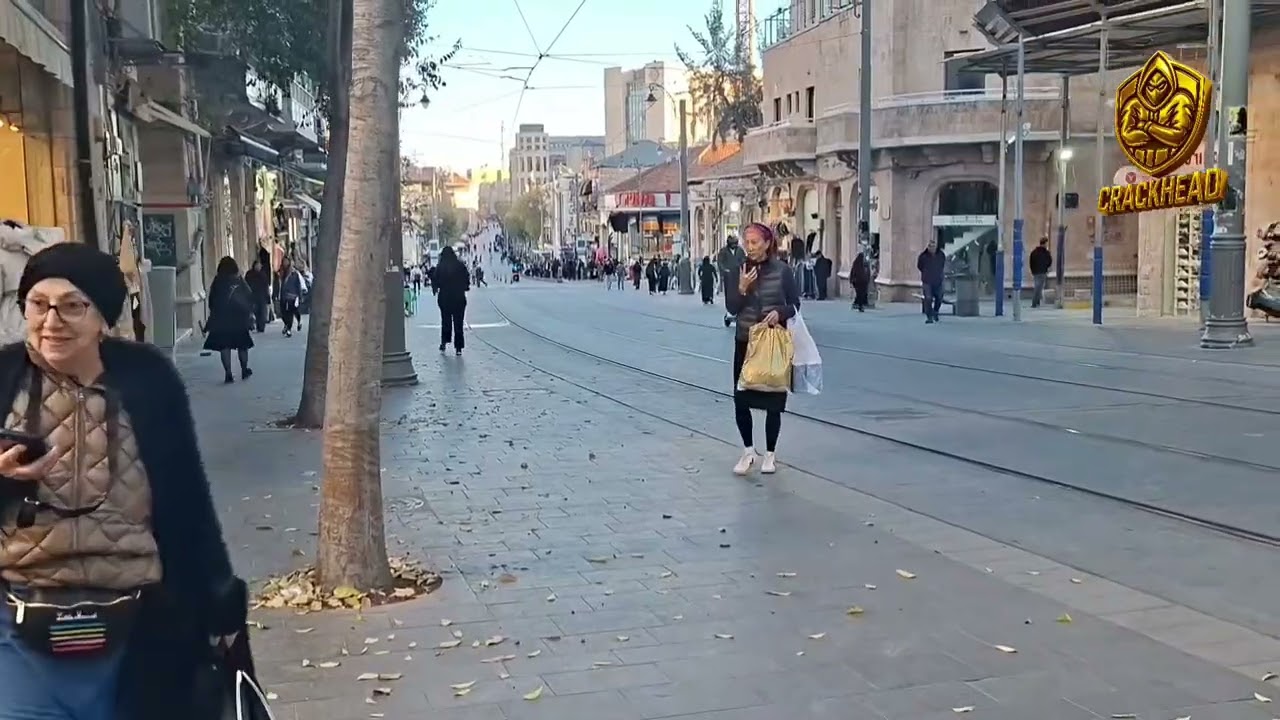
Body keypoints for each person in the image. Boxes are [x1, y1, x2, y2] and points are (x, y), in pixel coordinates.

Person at [0, 242, 246, 719]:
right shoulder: (3, 377)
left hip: (137, 632)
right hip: (18, 628)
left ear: (103, 318)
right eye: (38, 304)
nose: (52, 321)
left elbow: (187, 502)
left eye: (73, 305)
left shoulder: (148, 380)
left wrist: (219, 605)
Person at [725, 223, 800, 477]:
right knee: (741, 398)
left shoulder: (783, 272)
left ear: (768, 243)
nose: (750, 247)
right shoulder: (737, 270)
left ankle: (770, 454)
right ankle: (748, 451)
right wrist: (742, 288)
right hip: (745, 340)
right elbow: (732, 308)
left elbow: (795, 306)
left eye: (755, 242)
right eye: (747, 242)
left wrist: (780, 313)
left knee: (773, 397)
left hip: (772, 342)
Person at [203, 256, 255, 383]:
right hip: (239, 318)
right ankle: (244, 370)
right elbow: (249, 295)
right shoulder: (238, 280)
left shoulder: (217, 281)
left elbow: (211, 300)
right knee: (242, 345)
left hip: (222, 319)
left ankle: (228, 373)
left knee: (224, 346)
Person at [434, 246, 470, 355]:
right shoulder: (460, 265)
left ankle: (444, 342)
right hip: (458, 297)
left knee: (445, 321)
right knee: (458, 322)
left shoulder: (440, 266)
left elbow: (435, 280)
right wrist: (464, 287)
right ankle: (458, 347)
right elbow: (466, 280)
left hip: (445, 298)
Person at [717, 236, 746, 327]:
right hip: (728, 277)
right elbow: (720, 262)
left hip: (738, 276)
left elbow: (744, 260)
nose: (734, 246)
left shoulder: (740, 250)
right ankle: (730, 311)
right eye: (732, 244)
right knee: (729, 294)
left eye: (735, 244)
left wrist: (743, 267)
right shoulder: (723, 251)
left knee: (739, 294)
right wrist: (724, 270)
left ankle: (738, 310)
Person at [917, 238, 946, 324]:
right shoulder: (923, 256)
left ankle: (936, 312)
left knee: (939, 297)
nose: (932, 248)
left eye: (934, 246)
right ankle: (929, 316)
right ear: (928, 247)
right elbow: (919, 266)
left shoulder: (941, 255)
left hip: (938, 280)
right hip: (927, 281)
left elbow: (942, 264)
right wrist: (926, 273)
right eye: (930, 246)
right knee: (928, 298)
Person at [276, 257, 303, 337]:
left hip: (292, 296)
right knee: (283, 312)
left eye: (286, 261)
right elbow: (277, 285)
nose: (285, 263)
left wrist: (299, 296)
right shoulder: (280, 273)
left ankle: (289, 328)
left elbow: (298, 285)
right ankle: (287, 325)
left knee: (291, 312)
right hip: (283, 296)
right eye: (283, 261)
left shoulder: (294, 273)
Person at [244, 259, 271, 332]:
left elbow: (266, 286)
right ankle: (252, 325)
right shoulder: (249, 274)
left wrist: (268, 297)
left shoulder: (263, 274)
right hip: (253, 296)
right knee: (254, 311)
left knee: (262, 313)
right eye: (257, 265)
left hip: (262, 297)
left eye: (260, 265)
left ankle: (261, 327)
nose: (259, 267)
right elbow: (245, 285)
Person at [1029, 237, 1053, 308]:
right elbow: (1050, 261)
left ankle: (1037, 302)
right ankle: (1034, 302)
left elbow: (1031, 262)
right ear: (1044, 243)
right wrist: (1046, 267)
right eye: (1046, 243)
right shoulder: (1046, 253)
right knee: (1039, 287)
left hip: (1035, 272)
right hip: (1042, 272)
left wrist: (1032, 270)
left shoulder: (1034, 252)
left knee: (1037, 286)